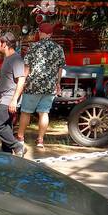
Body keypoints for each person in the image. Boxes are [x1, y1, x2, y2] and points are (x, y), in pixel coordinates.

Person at [17, 21, 65, 150]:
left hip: (33, 85)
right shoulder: (59, 49)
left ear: (40, 33)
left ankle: (20, 138)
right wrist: (58, 83)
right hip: (49, 86)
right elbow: (60, 68)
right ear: (51, 34)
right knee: (44, 113)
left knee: (26, 112)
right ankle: (40, 140)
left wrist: (23, 82)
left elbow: (27, 67)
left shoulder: (34, 47)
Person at [0, 32, 26, 157]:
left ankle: (17, 146)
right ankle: (6, 155)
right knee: (7, 127)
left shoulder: (16, 59)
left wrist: (14, 100)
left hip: (9, 99)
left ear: (4, 44)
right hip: (5, 98)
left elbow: (21, 80)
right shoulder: (7, 58)